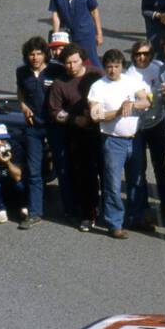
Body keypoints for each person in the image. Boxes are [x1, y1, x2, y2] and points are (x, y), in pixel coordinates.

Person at [88, 52, 151, 238]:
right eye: (109, 66)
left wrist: (131, 104)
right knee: (113, 184)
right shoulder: (98, 87)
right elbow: (95, 115)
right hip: (112, 140)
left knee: (137, 181)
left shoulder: (131, 82)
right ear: (104, 67)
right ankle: (114, 223)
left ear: (122, 66)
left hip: (135, 138)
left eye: (116, 66)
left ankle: (136, 217)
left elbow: (146, 100)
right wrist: (117, 111)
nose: (113, 70)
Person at [47, 44, 102, 232]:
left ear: (83, 60)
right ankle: (87, 214)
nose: (71, 66)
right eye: (67, 63)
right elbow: (55, 112)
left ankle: (110, 213)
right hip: (77, 136)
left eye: (75, 61)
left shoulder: (97, 74)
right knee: (84, 177)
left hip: (103, 133)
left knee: (106, 174)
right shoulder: (59, 84)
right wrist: (73, 119)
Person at [15, 37, 64, 230]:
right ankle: (35, 213)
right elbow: (20, 90)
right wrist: (22, 105)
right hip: (33, 127)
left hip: (54, 125)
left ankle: (69, 210)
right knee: (34, 171)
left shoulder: (56, 70)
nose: (35, 57)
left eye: (38, 53)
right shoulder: (21, 72)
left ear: (45, 54)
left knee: (63, 167)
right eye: (31, 54)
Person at [130, 40, 165, 225]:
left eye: (146, 53)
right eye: (138, 54)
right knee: (140, 168)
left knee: (160, 165)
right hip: (138, 126)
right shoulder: (130, 73)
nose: (142, 57)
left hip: (158, 123)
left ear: (151, 54)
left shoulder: (159, 67)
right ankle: (144, 206)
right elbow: (140, 96)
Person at [48, 0, 102, 68]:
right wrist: (55, 36)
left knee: (90, 61)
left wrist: (99, 33)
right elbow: (55, 14)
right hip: (67, 35)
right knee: (70, 62)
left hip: (85, 33)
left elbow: (94, 11)